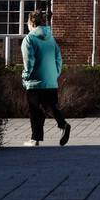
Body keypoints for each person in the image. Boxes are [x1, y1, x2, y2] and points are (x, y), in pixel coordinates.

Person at [20, 10, 70, 146]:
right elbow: (59, 58)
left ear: (31, 22)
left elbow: (29, 62)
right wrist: (55, 74)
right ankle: (62, 124)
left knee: (35, 110)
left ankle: (35, 138)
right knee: (50, 106)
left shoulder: (29, 39)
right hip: (51, 81)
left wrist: (25, 77)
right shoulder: (51, 39)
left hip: (35, 82)